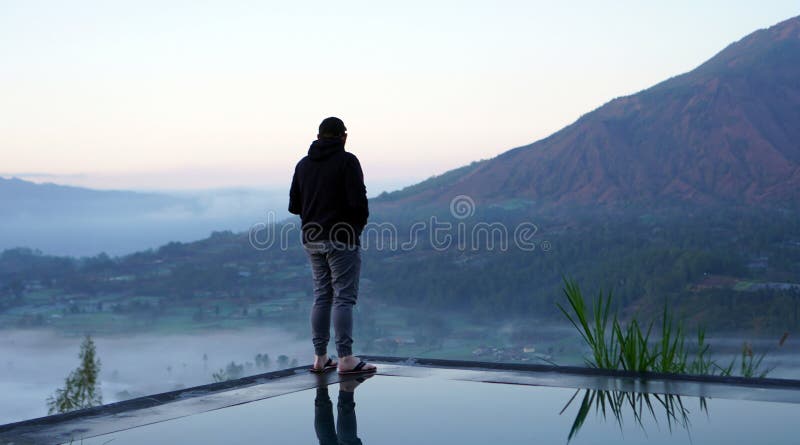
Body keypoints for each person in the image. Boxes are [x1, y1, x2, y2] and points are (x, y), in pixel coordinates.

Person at [289, 117, 377, 375]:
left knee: (322, 296)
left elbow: (294, 206)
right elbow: (359, 204)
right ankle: (346, 358)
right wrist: (355, 229)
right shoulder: (347, 161)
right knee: (343, 297)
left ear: (318, 137)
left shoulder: (303, 165)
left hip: (311, 238)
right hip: (341, 238)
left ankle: (320, 358)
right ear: (344, 137)